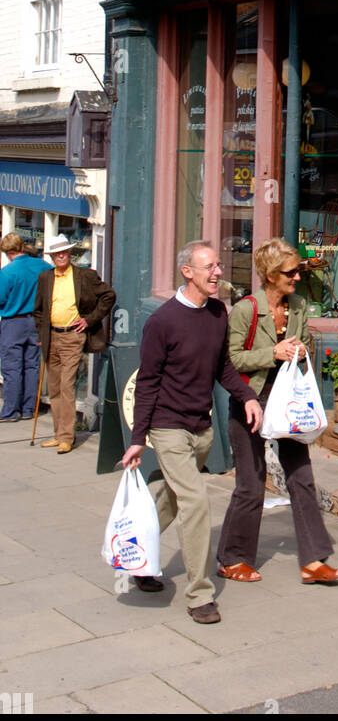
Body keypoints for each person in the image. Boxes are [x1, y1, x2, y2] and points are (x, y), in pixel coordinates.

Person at [121, 240, 263, 624]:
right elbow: (148, 382)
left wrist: (247, 396)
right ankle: (200, 595)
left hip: (201, 427)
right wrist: (138, 440)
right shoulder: (162, 322)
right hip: (168, 426)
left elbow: (224, 368)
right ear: (188, 272)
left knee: (170, 496)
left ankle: (137, 558)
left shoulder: (218, 313)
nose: (218, 272)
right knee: (196, 501)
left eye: (218, 265)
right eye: (209, 267)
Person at [216, 237, 338, 586]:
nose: (298, 278)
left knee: (301, 476)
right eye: (291, 272)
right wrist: (272, 353)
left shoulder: (299, 305)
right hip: (251, 400)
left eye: (299, 271)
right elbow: (230, 360)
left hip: (288, 401)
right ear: (271, 275)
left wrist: (302, 350)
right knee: (251, 482)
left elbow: (307, 344)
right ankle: (232, 558)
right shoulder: (246, 309)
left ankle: (314, 561)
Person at [34, 235, 116, 453]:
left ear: (70, 254)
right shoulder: (45, 277)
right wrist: (41, 331)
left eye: (65, 252)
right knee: (54, 387)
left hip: (72, 337)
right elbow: (39, 310)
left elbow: (108, 295)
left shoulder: (84, 276)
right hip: (51, 337)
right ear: (52, 256)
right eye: (57, 253)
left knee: (67, 386)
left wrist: (89, 320)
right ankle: (58, 433)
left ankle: (67, 438)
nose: (61, 255)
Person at [0, 233, 52, 422]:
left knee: (12, 367)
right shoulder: (43, 266)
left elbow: (1, 298)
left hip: (14, 321)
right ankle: (29, 408)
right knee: (31, 365)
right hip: (36, 321)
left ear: (7, 252)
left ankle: (11, 410)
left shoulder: (7, 272)